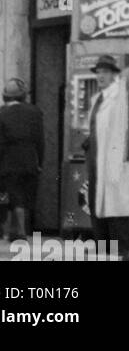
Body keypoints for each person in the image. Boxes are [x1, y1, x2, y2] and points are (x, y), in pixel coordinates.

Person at [83, 54, 129, 260]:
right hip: (95, 158)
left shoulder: (120, 95)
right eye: (99, 72)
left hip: (114, 159)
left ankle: (123, 249)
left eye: (106, 72)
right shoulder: (96, 100)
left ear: (114, 75)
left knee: (117, 204)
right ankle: (103, 246)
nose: (101, 76)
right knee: (96, 203)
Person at [0, 77, 44, 241]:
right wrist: (40, 161)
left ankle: (19, 232)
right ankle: (15, 231)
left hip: (9, 160)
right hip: (30, 159)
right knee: (24, 196)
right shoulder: (35, 112)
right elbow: (40, 140)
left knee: (14, 196)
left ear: (5, 96)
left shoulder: (2, 113)